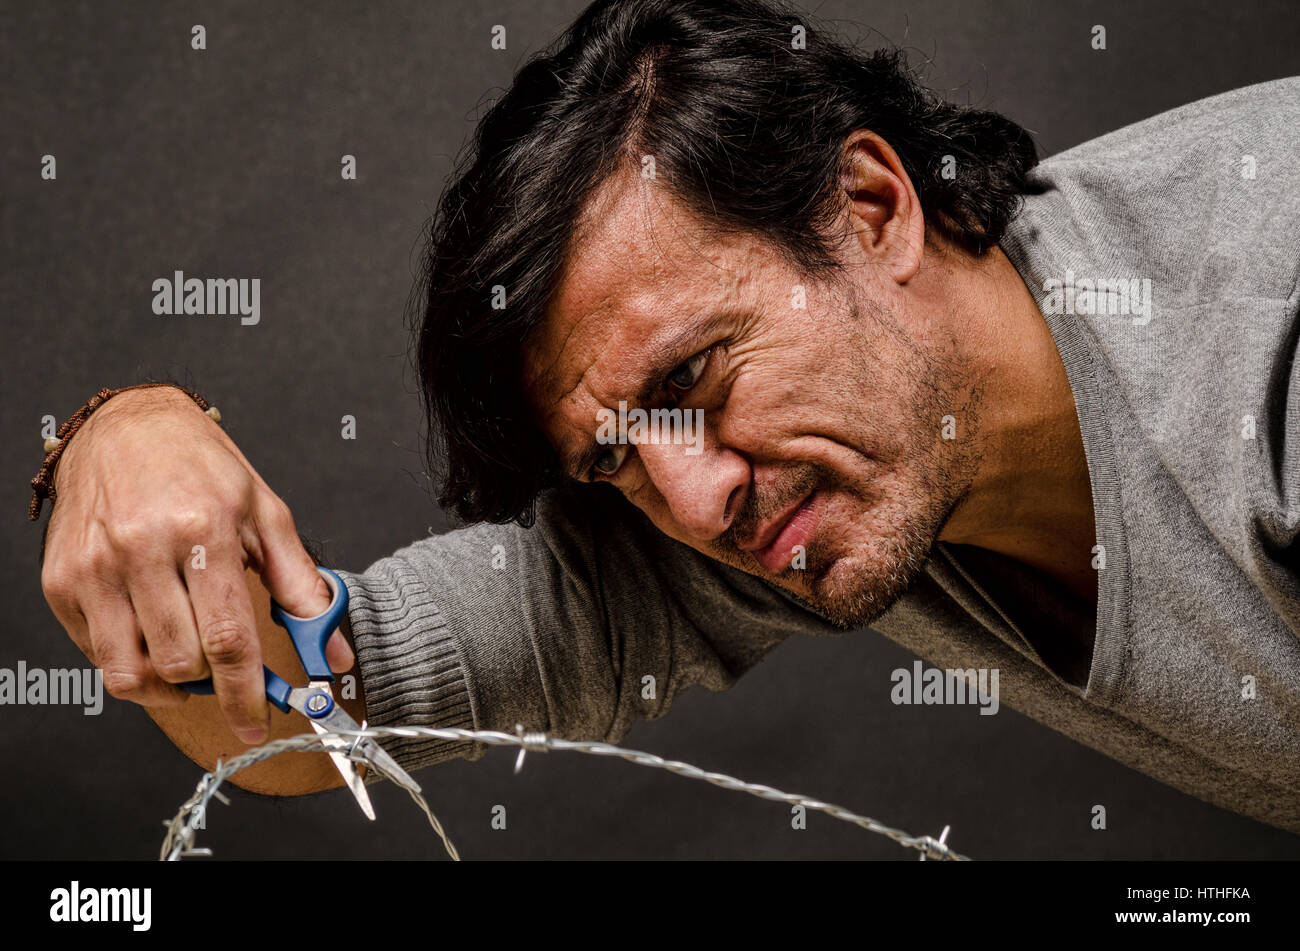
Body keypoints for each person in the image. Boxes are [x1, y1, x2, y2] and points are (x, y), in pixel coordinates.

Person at [34, 0, 1300, 831]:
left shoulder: (1259, 341)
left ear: (870, 204)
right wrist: (123, 441)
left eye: (691, 383)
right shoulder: (794, 494)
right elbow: (312, 717)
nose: (695, 505)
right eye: (615, 461)